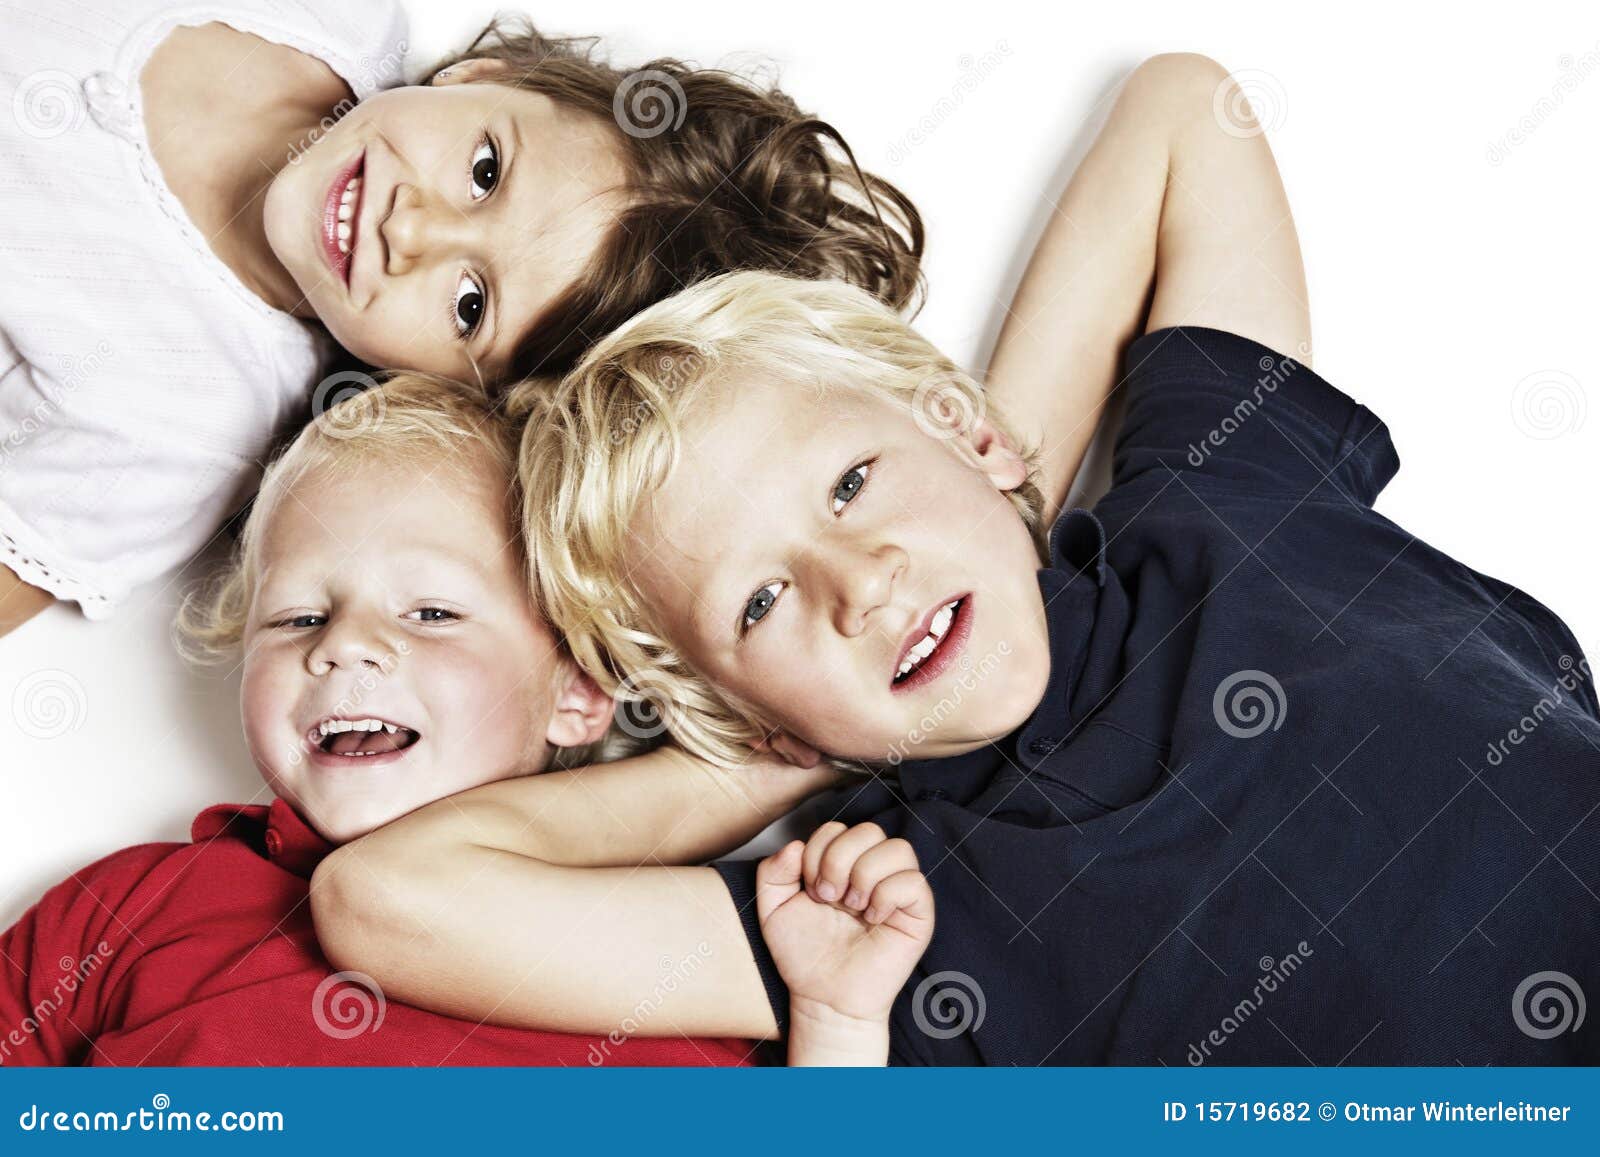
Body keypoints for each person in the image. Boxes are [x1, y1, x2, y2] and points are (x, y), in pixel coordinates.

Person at [313, 53, 1600, 1065]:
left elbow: (1183, 115)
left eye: (853, 484)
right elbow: (385, 899)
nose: (859, 582)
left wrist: (993, 487)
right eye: (759, 601)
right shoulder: (874, 920)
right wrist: (767, 744)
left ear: (970, 428)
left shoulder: (1220, 502)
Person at [0, 375, 927, 1066]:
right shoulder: (136, 908)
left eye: (431, 613)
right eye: (297, 618)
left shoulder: (657, 952)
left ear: (579, 688)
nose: (345, 648)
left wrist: (838, 1030)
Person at [0, 1, 923, 636]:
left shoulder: (178, 435)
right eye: (484, 170)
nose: (414, 228)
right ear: (492, 74)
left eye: (470, 303)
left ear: (433, 388)